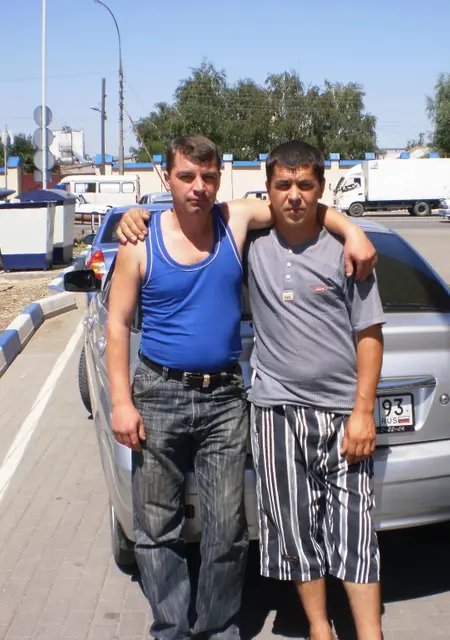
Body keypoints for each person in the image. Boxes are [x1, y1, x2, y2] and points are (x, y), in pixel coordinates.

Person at [109, 134, 377, 640]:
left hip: (225, 398)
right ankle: (171, 629)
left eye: (208, 176)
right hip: (159, 393)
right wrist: (121, 402)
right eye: (186, 176)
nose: (198, 186)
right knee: (157, 527)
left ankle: (218, 630)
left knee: (227, 528)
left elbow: (298, 204)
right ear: (167, 178)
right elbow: (118, 324)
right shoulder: (139, 242)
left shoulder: (233, 220)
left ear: (219, 180)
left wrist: (351, 228)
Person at [246, 140, 384, 640]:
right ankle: (319, 629)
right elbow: (194, 219)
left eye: (305, 185)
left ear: (321, 188)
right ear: (268, 190)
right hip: (276, 413)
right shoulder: (251, 246)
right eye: (283, 185)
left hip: (342, 416)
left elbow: (369, 335)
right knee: (294, 530)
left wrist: (363, 412)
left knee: (355, 530)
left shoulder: (350, 255)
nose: (294, 196)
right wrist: (139, 219)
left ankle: (370, 634)